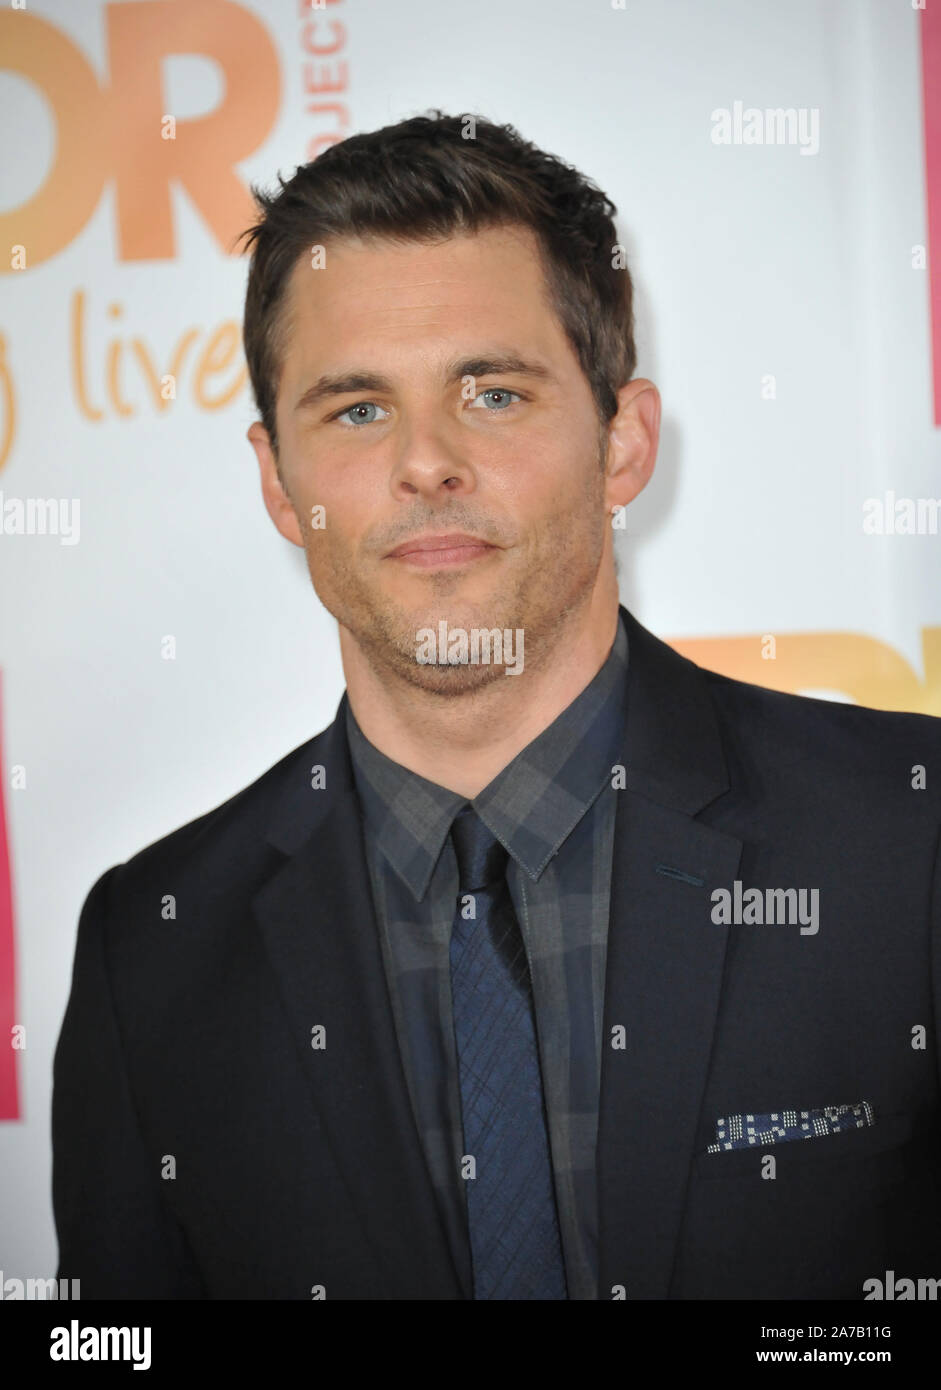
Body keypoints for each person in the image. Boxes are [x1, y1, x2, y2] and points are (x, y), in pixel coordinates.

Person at [52, 110, 941, 1301]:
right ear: (277, 481)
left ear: (621, 444)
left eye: (493, 393)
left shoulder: (906, 840)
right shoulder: (153, 949)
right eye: (356, 409)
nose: (426, 462)